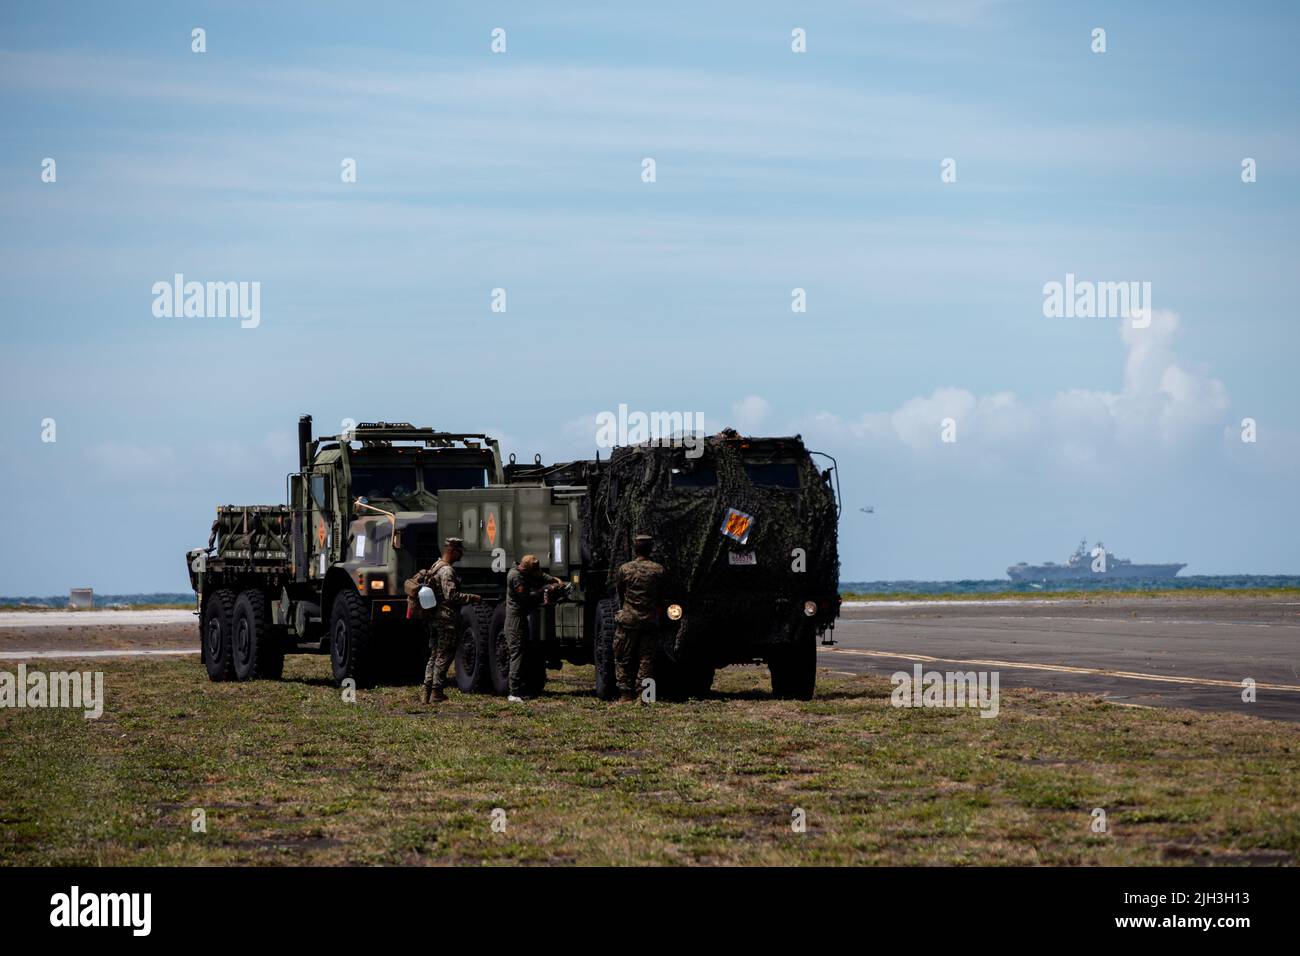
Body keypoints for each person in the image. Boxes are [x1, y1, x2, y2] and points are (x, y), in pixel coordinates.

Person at [406, 536, 481, 703]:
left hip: (434, 617)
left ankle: (426, 691)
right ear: (451, 551)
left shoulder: (435, 566)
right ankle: (437, 691)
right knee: (444, 654)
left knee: (434, 654)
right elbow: (451, 596)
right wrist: (473, 598)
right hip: (445, 619)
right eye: (459, 551)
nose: (461, 555)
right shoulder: (447, 571)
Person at [503, 554, 564, 701]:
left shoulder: (524, 572)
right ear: (526, 569)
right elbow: (526, 597)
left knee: (524, 652)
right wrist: (544, 590)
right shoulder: (516, 577)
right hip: (515, 620)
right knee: (517, 653)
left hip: (521, 618)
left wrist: (554, 581)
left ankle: (522, 688)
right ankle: (514, 692)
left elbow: (541, 576)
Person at [613, 533, 665, 703]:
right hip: (650, 621)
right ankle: (644, 695)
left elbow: (620, 592)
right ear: (651, 549)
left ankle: (625, 695)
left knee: (622, 658)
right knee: (646, 659)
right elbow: (662, 596)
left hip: (628, 621)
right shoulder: (659, 570)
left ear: (635, 548)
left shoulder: (625, 569)